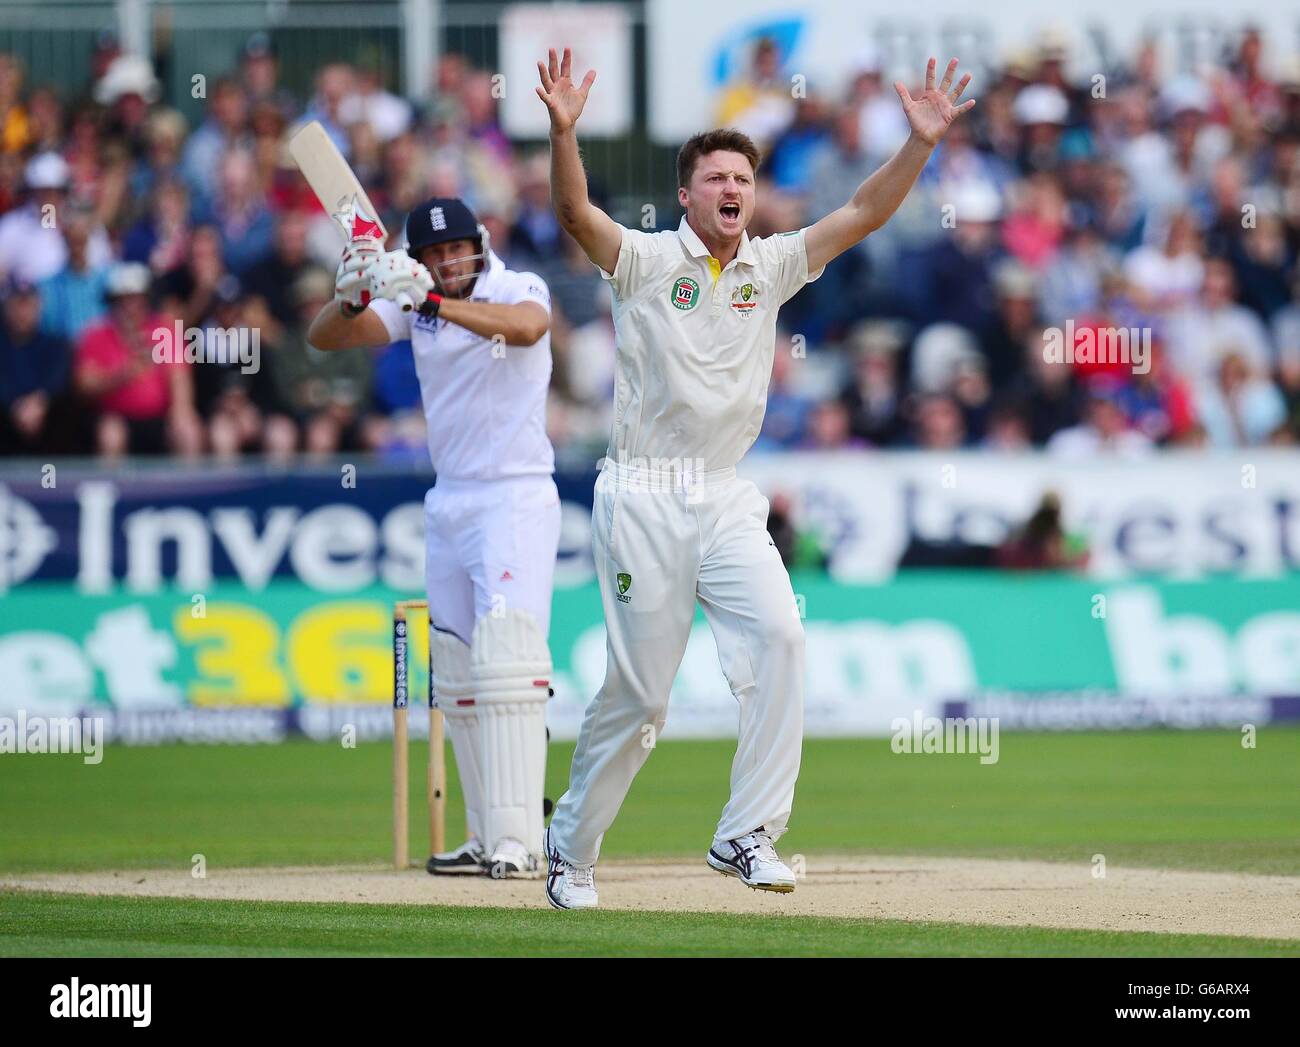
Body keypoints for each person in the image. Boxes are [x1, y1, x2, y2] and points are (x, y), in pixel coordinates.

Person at [536, 47, 976, 908]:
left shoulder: (769, 266)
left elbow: (860, 213)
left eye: (743, 175)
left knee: (781, 639)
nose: (733, 187)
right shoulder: (644, 261)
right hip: (644, 493)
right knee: (642, 695)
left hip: (726, 492)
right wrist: (564, 131)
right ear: (688, 193)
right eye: (717, 176)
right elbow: (572, 211)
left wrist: (919, 147)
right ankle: (569, 847)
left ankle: (746, 831)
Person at [307, 196, 558, 878]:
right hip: (450, 497)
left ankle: (521, 840)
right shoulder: (415, 301)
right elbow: (325, 338)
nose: (449, 261)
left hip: (516, 494)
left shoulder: (515, 285)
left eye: (458, 248)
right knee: (455, 672)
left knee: (507, 659)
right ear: (419, 259)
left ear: (479, 242)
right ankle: (485, 836)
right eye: (435, 254)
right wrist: (355, 296)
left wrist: (433, 305)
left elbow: (530, 328)